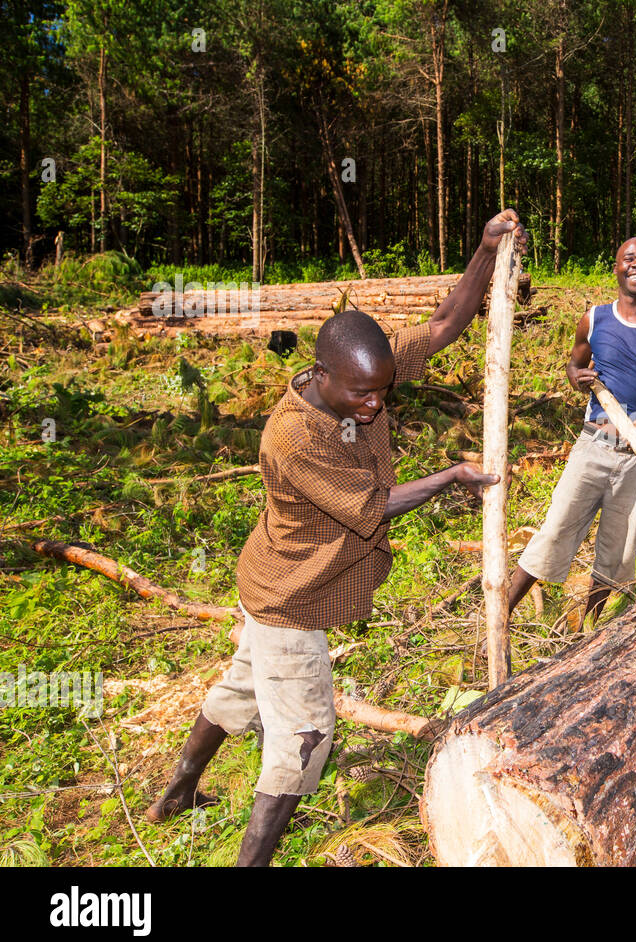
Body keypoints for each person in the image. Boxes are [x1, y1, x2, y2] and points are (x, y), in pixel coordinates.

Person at [144, 210, 526, 866]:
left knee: (240, 688)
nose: (375, 404)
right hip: (290, 601)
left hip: (272, 584)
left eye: (382, 390)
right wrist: (452, 477)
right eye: (361, 395)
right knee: (305, 739)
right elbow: (372, 507)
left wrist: (486, 252)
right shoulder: (294, 437)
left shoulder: (364, 373)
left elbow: (442, 325)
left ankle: (176, 794)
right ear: (321, 374)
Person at [508, 237, 636, 626]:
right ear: (616, 268)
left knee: (620, 551)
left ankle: (588, 629)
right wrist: (577, 377)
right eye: (629, 259)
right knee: (555, 529)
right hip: (595, 442)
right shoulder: (595, 318)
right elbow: (574, 366)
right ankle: (498, 616)